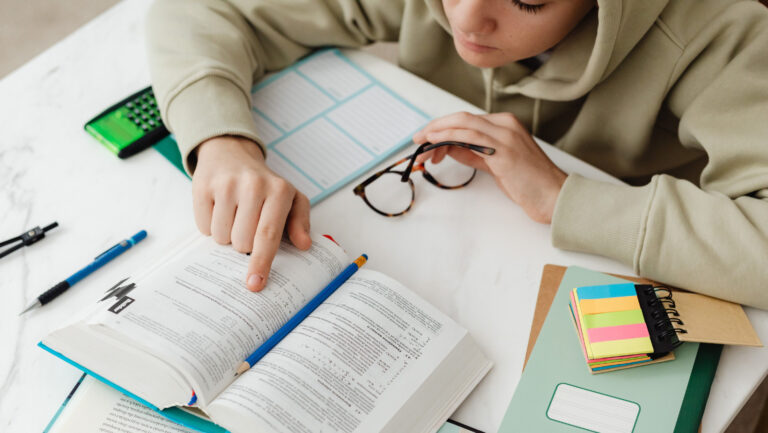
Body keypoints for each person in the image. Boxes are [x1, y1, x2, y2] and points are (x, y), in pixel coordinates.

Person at [146, 0, 768, 309]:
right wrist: (221, 142)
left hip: (615, 289)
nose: (468, 18)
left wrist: (564, 196)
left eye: (527, 0)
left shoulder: (728, 32)